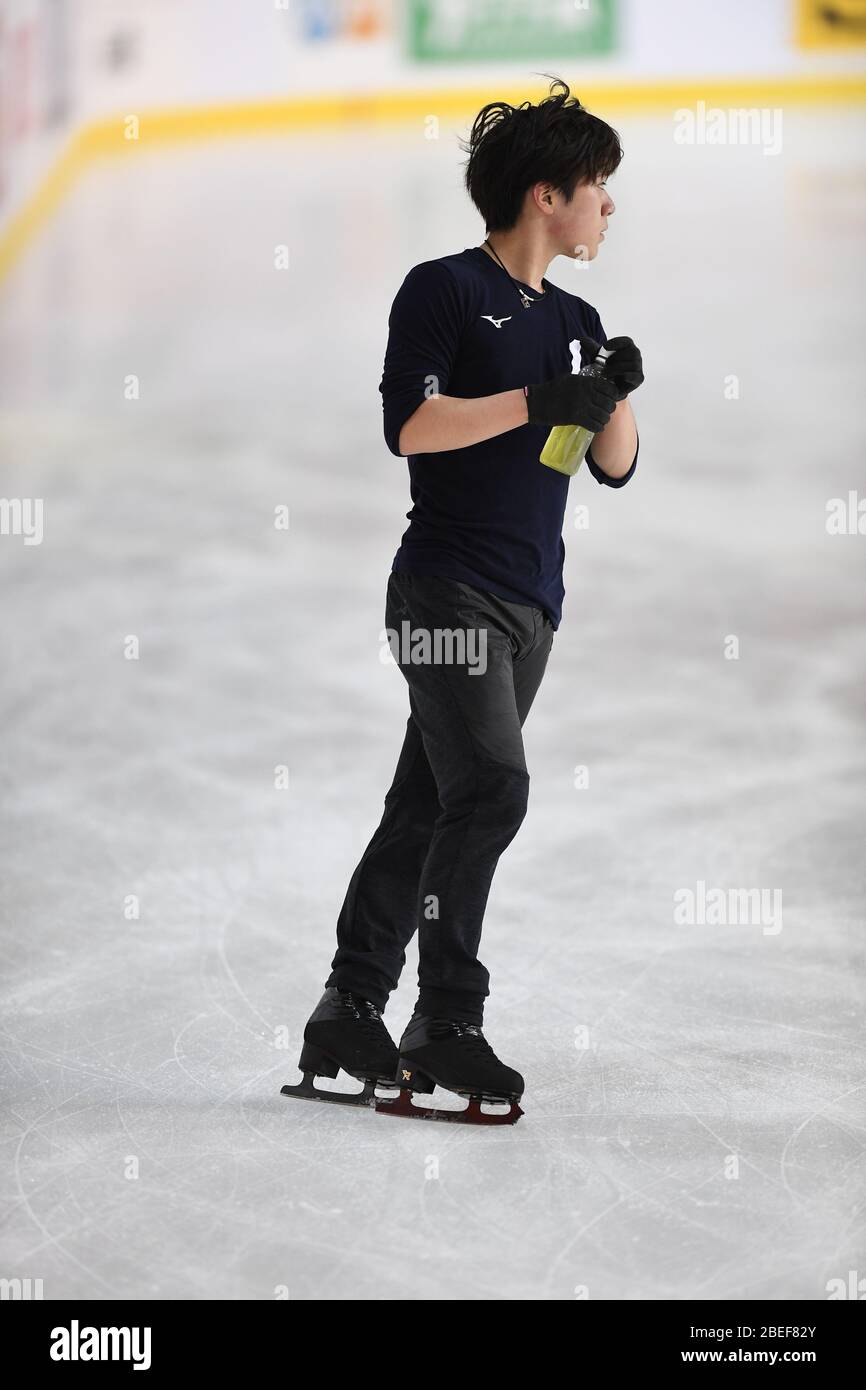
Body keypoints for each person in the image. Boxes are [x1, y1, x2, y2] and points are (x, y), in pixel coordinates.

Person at [285, 77, 644, 1122]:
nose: (607, 207)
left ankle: (346, 1007)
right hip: (443, 593)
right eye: (597, 189)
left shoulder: (576, 319)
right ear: (545, 196)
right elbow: (415, 424)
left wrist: (609, 388)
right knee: (488, 790)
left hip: (531, 605)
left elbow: (611, 466)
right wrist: (538, 397)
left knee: (428, 803)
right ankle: (444, 1017)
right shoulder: (440, 289)